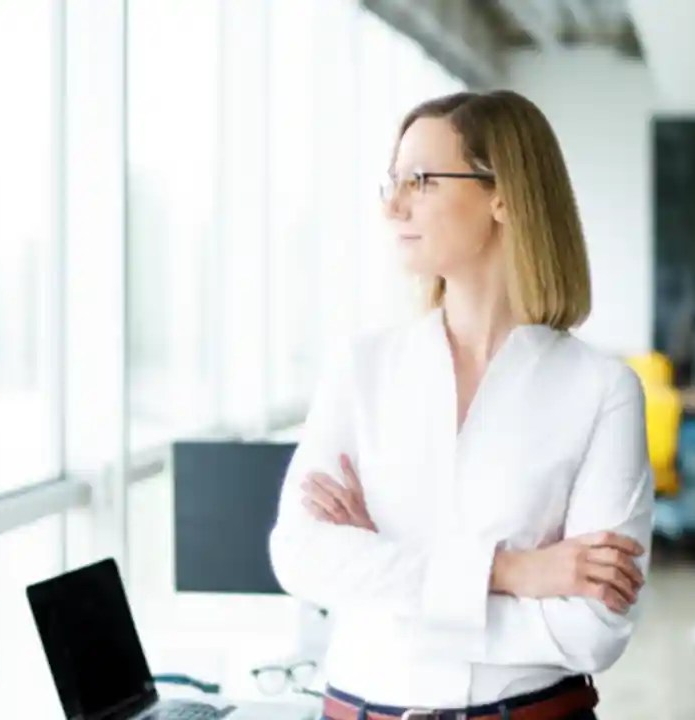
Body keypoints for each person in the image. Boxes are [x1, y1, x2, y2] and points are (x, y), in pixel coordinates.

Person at [268, 90, 654, 720]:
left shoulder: (601, 389)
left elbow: (594, 630)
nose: (394, 206)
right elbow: (300, 556)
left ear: (503, 194)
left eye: (420, 180)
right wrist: (515, 573)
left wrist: (386, 581)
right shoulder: (361, 369)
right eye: (392, 182)